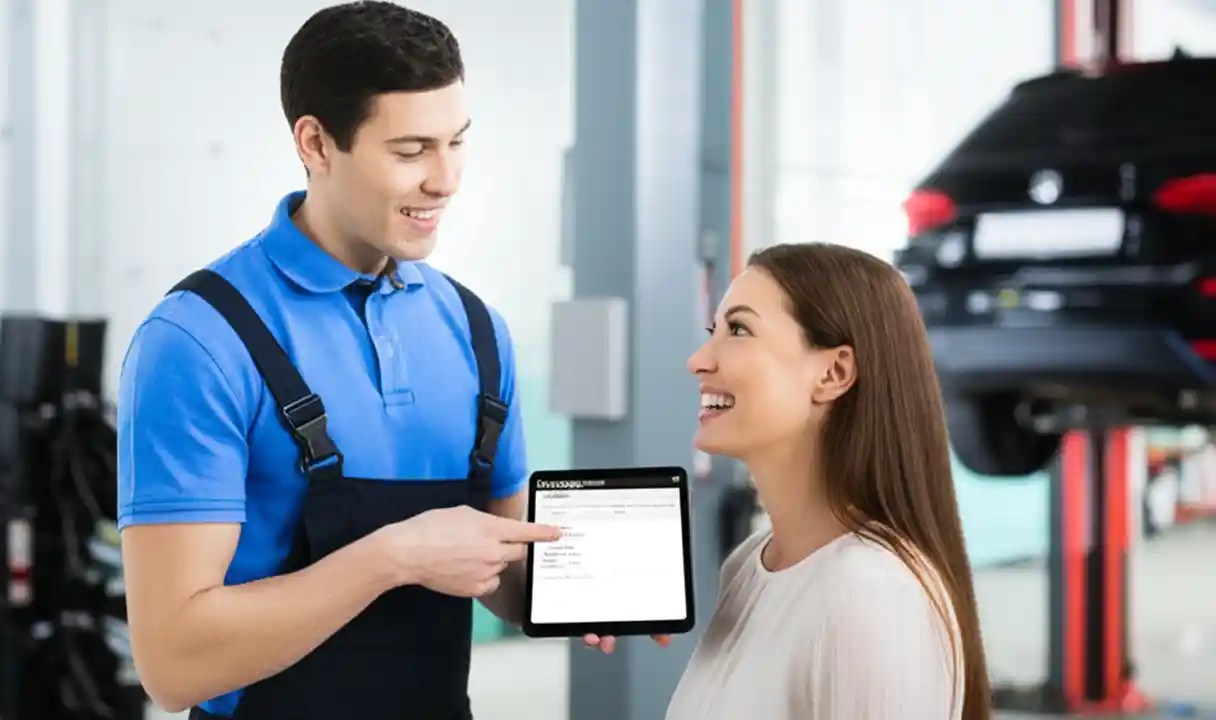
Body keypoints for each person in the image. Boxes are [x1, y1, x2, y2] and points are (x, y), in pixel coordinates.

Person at [114, 3, 618, 718]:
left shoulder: (477, 331)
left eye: (457, 143)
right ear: (316, 144)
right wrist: (394, 557)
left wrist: (583, 592)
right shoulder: (198, 341)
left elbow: (503, 572)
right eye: (411, 151)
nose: (445, 180)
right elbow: (172, 665)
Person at [665, 243, 992, 720]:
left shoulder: (872, 593)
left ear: (834, 372)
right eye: (714, 330)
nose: (698, 360)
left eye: (738, 329)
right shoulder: (748, 566)